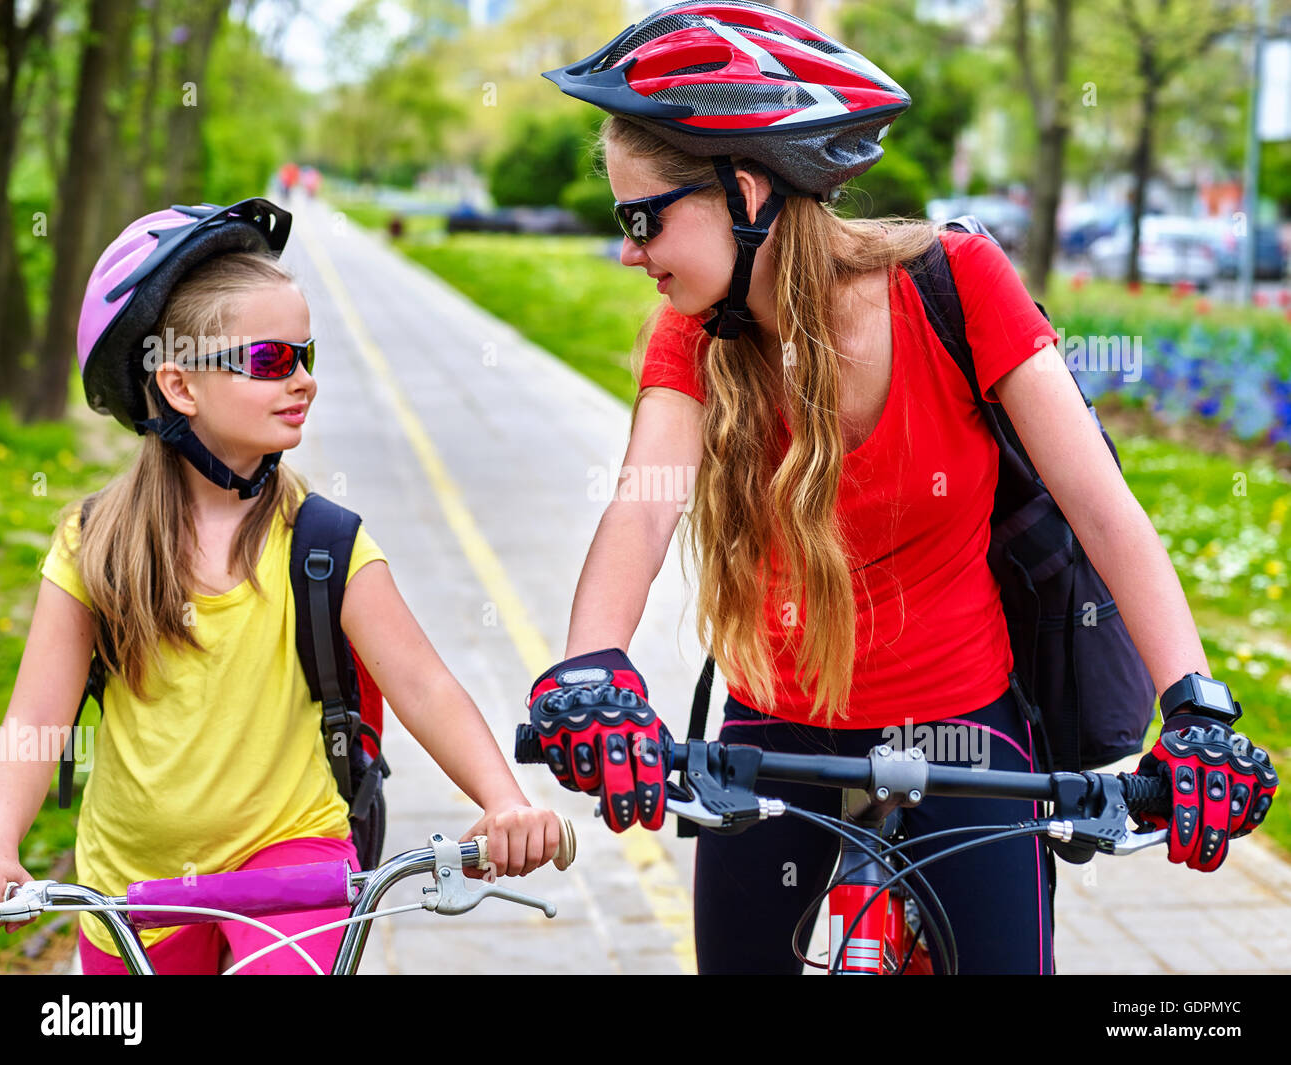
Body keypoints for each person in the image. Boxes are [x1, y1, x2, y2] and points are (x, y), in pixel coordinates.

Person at [524, 0, 1277, 974]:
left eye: (642, 218)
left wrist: (1198, 710)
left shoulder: (954, 281)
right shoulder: (694, 336)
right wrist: (593, 669)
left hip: (960, 727)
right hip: (773, 728)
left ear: (745, 192)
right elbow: (643, 500)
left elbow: (1104, 510)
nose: (628, 250)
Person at [0, 198, 560, 974]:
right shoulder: (95, 547)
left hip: (291, 863)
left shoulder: (324, 544)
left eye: (306, 356)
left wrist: (503, 800)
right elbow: (35, 724)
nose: (302, 381)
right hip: (133, 880)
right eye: (269, 361)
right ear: (180, 387)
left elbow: (425, 686)